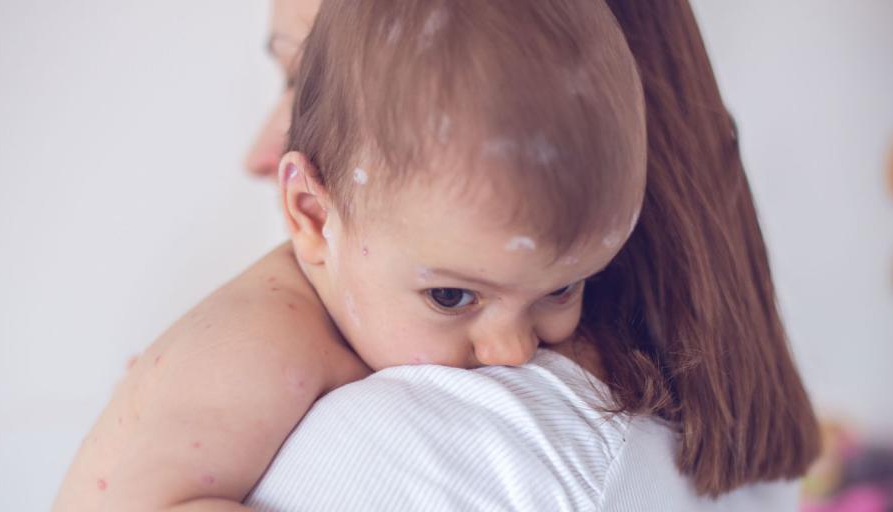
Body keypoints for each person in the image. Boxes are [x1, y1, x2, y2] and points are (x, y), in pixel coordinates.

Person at [53, 1, 821, 511]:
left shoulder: (451, 412)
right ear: (312, 214)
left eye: (565, 289)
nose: (517, 350)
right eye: (454, 298)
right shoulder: (262, 345)